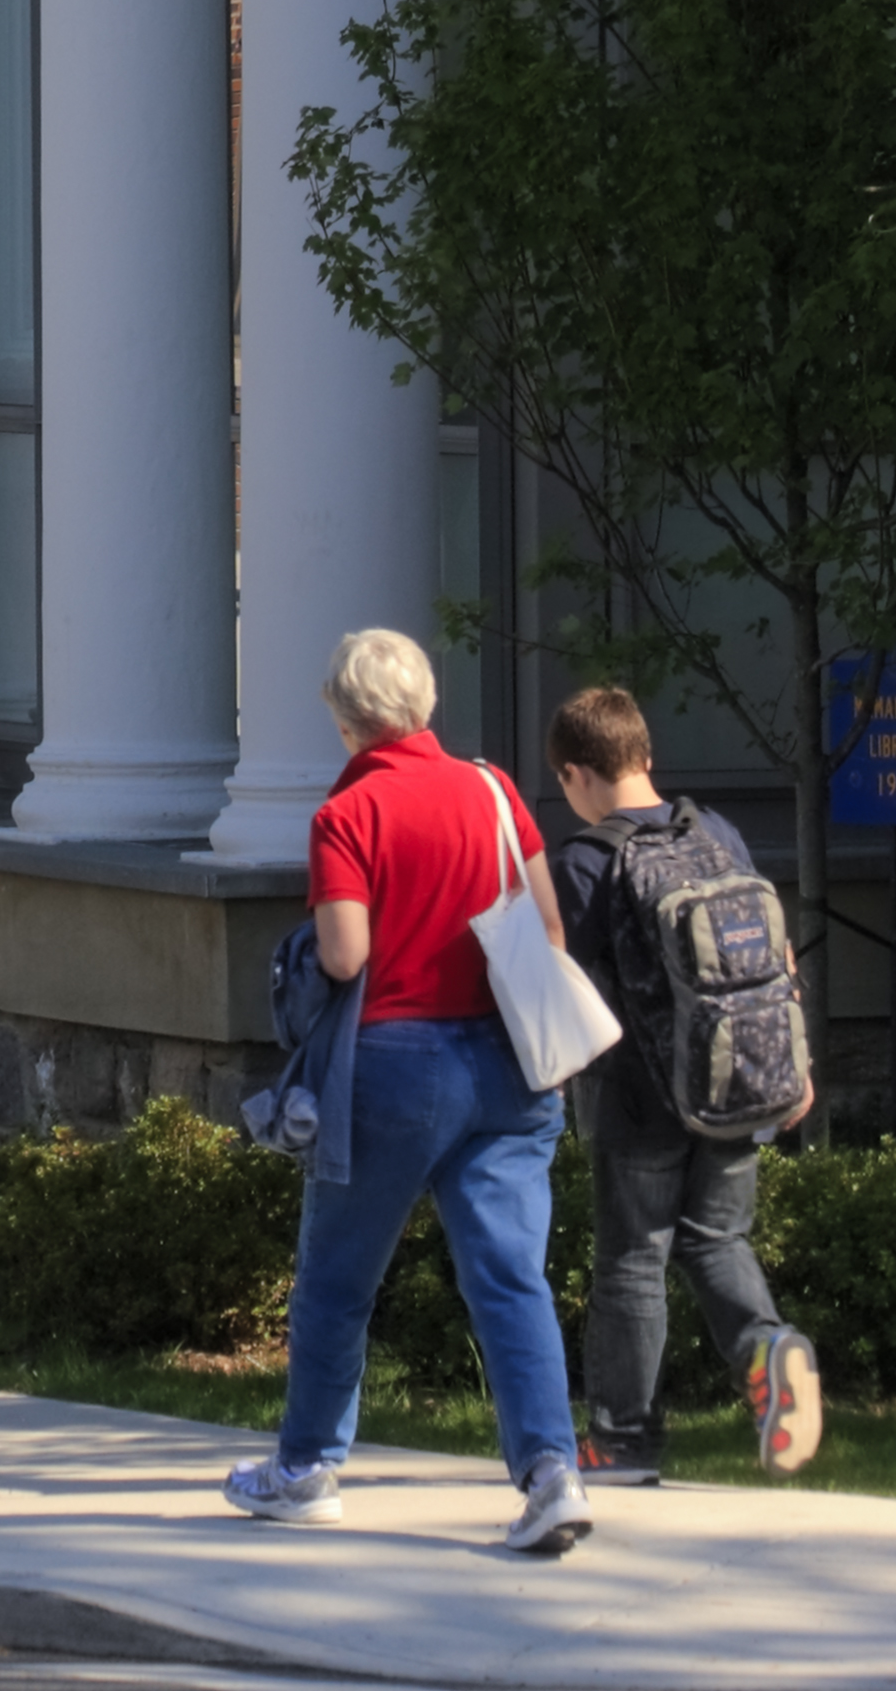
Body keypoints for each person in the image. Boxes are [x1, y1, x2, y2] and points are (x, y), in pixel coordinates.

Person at [222, 626, 593, 1557]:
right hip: (510, 1061)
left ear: (349, 724)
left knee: (339, 1280)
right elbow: (546, 925)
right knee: (511, 1276)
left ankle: (306, 1467)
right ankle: (551, 1472)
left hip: (394, 1063)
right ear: (425, 707)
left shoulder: (347, 815)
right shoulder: (494, 788)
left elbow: (346, 953)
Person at [547, 680, 825, 1484]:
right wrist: (796, 1067)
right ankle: (769, 1346)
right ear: (646, 756)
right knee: (718, 1239)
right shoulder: (718, 832)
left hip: (641, 1093)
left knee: (634, 1258)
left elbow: (549, 976)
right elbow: (773, 962)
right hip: (741, 1081)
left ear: (574, 774)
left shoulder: (588, 860)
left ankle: (621, 1439)